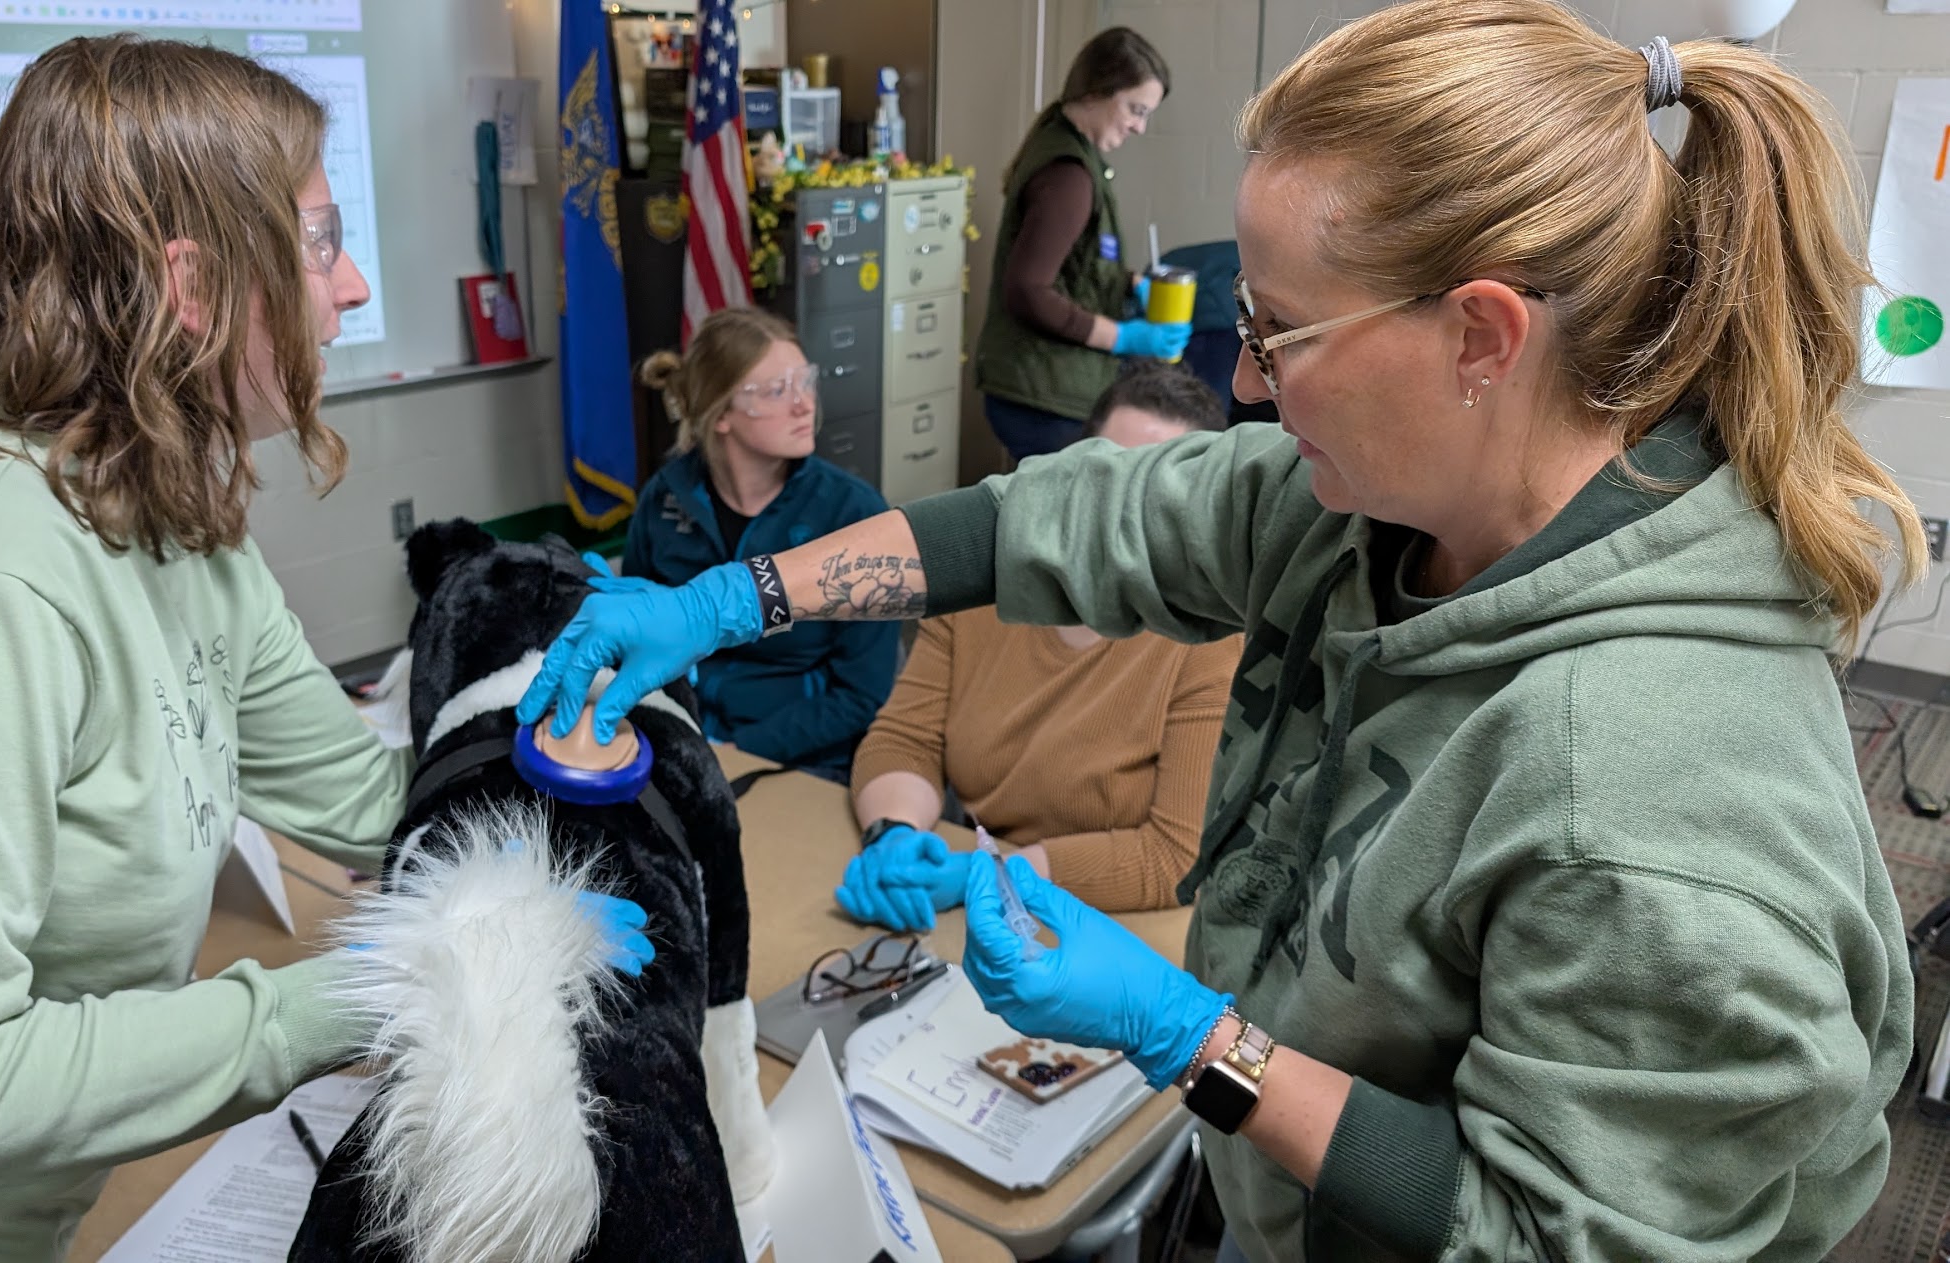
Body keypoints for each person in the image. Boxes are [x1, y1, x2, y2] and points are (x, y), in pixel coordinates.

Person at [515, 3, 1921, 1258]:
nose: (1244, 378)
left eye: (1281, 328)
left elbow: (1542, 1227)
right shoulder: (1376, 505)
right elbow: (1042, 525)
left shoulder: (1648, 807)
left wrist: (1195, 1035)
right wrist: (729, 596)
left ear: (1483, 338)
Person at [0, 38, 650, 1260]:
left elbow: (371, 801)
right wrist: (385, 987)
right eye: (319, 242)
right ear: (190, 287)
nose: (353, 285)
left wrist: (570, 776)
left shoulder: (171, 531)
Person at [837, 366, 1242, 929]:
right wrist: (893, 835)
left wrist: (994, 874)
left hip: (1111, 925)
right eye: (1111, 474)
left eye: (1159, 493)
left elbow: (1172, 855)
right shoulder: (989, 588)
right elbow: (907, 738)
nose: (1125, 510)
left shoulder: (1211, 639)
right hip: (979, 908)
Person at [624, 307, 898, 779]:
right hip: (683, 739)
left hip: (804, 759)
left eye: (805, 381)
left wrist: (739, 751)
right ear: (722, 413)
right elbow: (637, 639)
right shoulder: (665, 499)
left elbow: (862, 694)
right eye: (776, 390)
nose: (803, 404)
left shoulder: (854, 515)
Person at [973, 27, 1192, 462]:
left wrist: (1131, 284)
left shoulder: (1067, 147)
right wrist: (1124, 337)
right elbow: (1028, 292)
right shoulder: (1069, 175)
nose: (1140, 126)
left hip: (1038, 387)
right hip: (1043, 395)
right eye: (1134, 109)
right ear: (1097, 92)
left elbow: (1075, 262)